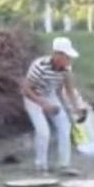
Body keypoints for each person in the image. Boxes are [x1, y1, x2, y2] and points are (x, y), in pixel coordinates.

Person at [20, 37, 87, 175]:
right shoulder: (39, 66)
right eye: (67, 57)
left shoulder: (66, 68)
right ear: (57, 55)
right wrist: (43, 104)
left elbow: (69, 90)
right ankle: (41, 166)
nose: (69, 60)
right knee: (43, 131)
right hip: (34, 97)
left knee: (65, 126)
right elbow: (26, 89)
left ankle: (64, 165)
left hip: (50, 95)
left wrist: (77, 107)